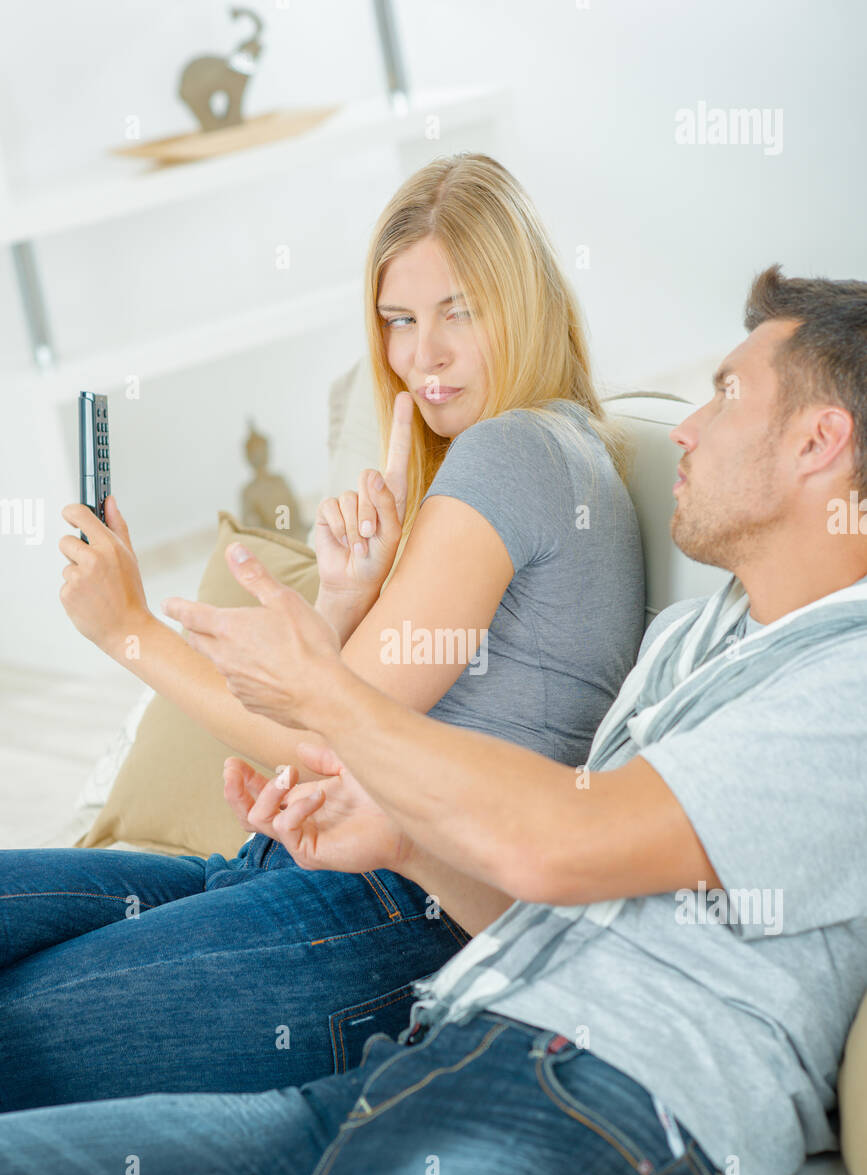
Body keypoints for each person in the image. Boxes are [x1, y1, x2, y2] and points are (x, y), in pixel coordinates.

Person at [0, 264, 864, 1175]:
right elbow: (549, 896)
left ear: (820, 441)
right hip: (407, 1067)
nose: (683, 429)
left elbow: (564, 839)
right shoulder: (697, 634)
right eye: (400, 320)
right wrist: (406, 841)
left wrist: (317, 689)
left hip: (590, 1117)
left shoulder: (848, 681)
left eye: (724, 394)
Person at [0, 153, 644, 1107]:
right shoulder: (517, 464)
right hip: (298, 869)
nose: (422, 356)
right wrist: (348, 594)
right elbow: (351, 729)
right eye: (399, 320)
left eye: (458, 310)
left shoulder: (515, 456)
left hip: (394, 917)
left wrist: (128, 629)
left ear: (525, 302)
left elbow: (326, 735)